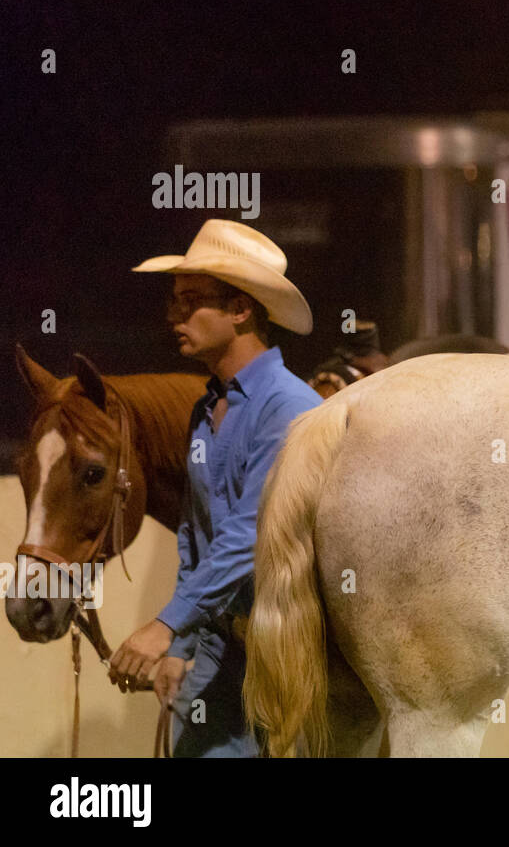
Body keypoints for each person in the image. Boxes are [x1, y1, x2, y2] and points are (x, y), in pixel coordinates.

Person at [109, 219, 322, 756]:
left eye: (190, 301)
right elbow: (196, 534)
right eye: (174, 300)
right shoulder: (208, 410)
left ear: (241, 309)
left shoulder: (289, 407)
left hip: (282, 653)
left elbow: (253, 532)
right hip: (219, 645)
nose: (173, 315)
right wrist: (180, 644)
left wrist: (165, 626)